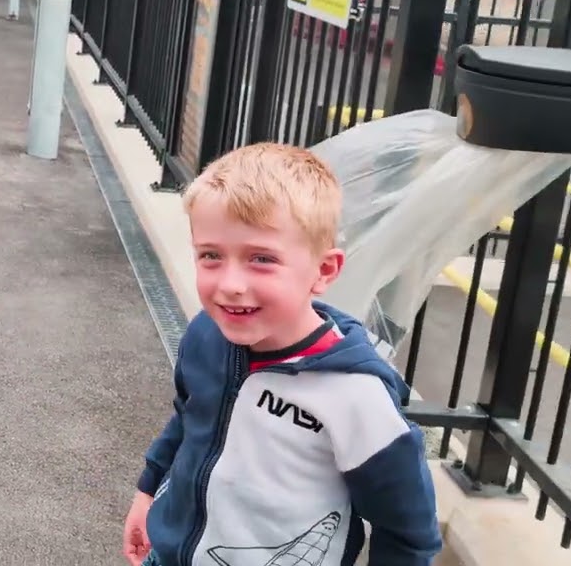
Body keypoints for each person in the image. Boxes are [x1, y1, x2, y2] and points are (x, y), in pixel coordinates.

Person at [121, 142, 442, 566]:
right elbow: (187, 417)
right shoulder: (206, 334)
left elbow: (407, 531)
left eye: (261, 259)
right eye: (211, 256)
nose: (231, 284)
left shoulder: (355, 396)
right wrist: (148, 491)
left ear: (324, 271)